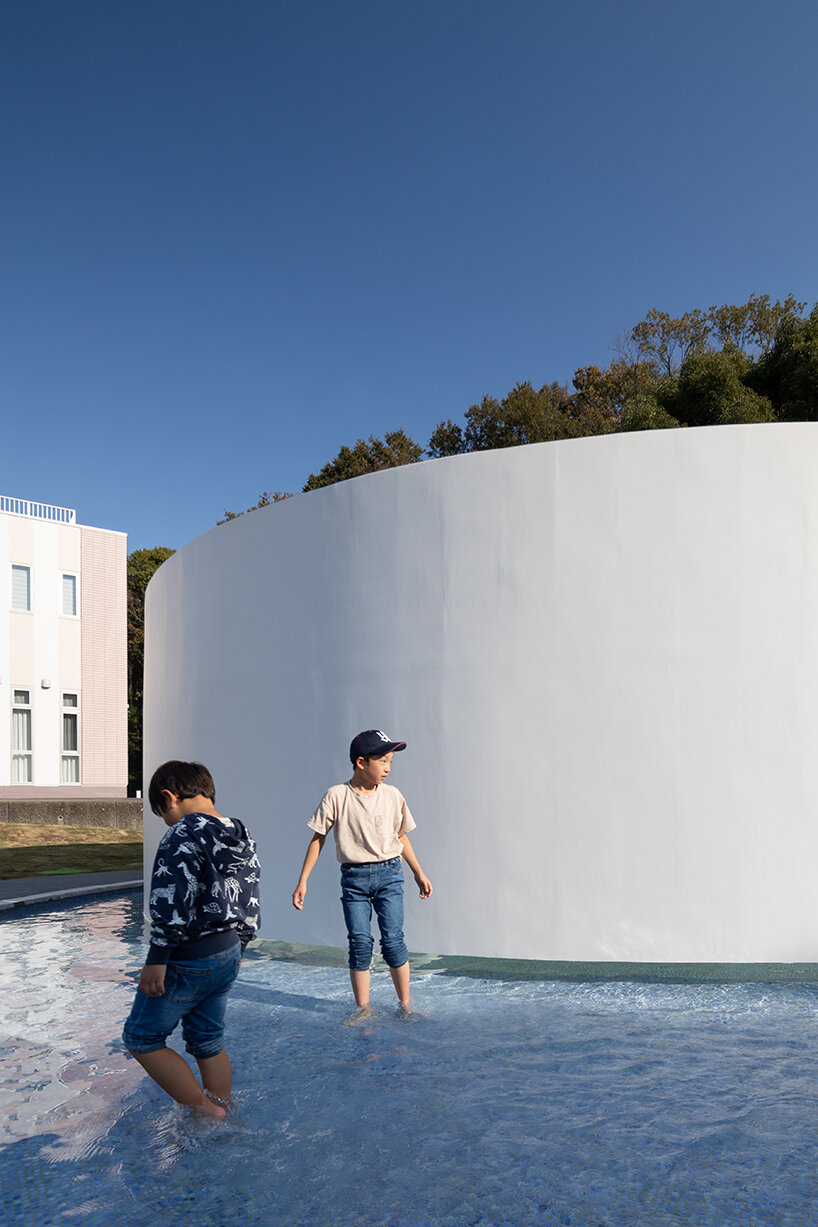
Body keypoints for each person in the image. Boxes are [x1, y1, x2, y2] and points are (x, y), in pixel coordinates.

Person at [122, 760, 260, 1119]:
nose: (165, 822)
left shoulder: (182, 833)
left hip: (188, 956)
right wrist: (240, 946)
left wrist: (157, 957)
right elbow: (249, 895)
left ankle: (204, 1110)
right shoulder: (239, 832)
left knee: (142, 1038)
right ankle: (225, 1111)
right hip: (228, 950)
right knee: (208, 1041)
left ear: (169, 797)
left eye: (161, 813)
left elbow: (171, 897)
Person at [292, 729, 433, 1023]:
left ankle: (405, 1005)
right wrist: (303, 880)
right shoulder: (336, 796)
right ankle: (363, 1008)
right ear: (360, 762)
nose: (387, 768)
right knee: (359, 942)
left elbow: (401, 837)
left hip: (390, 874)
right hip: (354, 879)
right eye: (382, 761)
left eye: (391, 762)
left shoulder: (393, 796)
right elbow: (318, 838)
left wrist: (418, 872)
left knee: (393, 939)